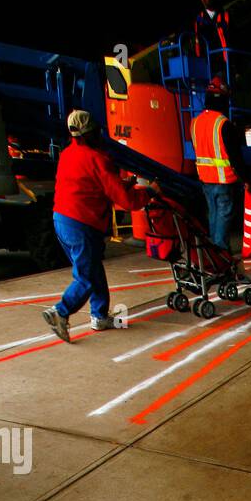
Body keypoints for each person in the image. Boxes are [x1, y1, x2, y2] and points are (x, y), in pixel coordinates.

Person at [43, 110, 154, 344]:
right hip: (82, 223)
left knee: (93, 269)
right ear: (92, 133)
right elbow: (125, 200)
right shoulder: (98, 158)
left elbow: (90, 183)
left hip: (62, 220)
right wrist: (150, 192)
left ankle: (99, 315)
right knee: (86, 277)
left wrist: (122, 183)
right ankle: (60, 312)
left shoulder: (68, 154)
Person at [191, 78, 246, 253]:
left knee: (213, 213)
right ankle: (220, 252)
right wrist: (246, 178)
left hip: (205, 179)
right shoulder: (223, 124)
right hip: (223, 180)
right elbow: (235, 156)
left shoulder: (195, 122)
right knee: (224, 215)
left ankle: (213, 249)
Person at [194, 0, 231, 80]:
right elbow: (198, 50)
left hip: (226, 70)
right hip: (209, 72)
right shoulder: (199, 21)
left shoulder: (225, 16)